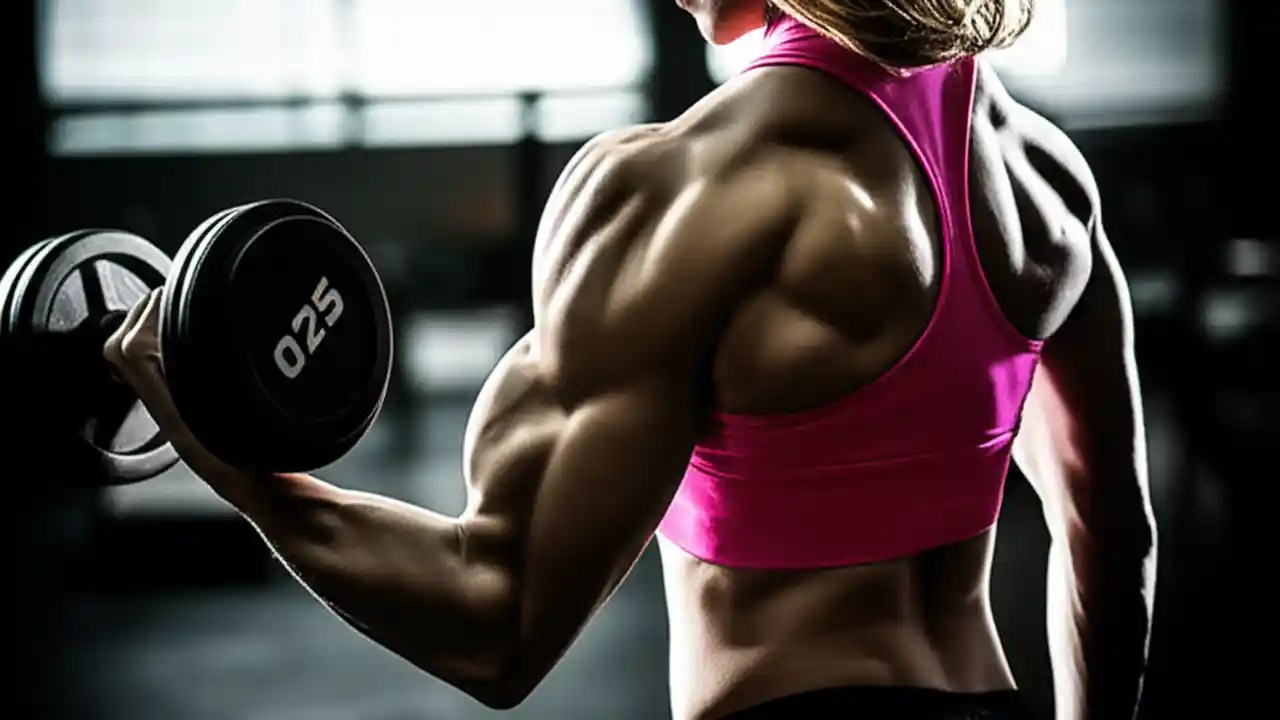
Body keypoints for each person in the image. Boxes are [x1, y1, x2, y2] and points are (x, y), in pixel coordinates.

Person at [105, 1, 1159, 717]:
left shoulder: (684, 190)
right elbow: (1111, 538)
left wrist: (230, 463)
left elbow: (495, 623)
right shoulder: (1039, 176)